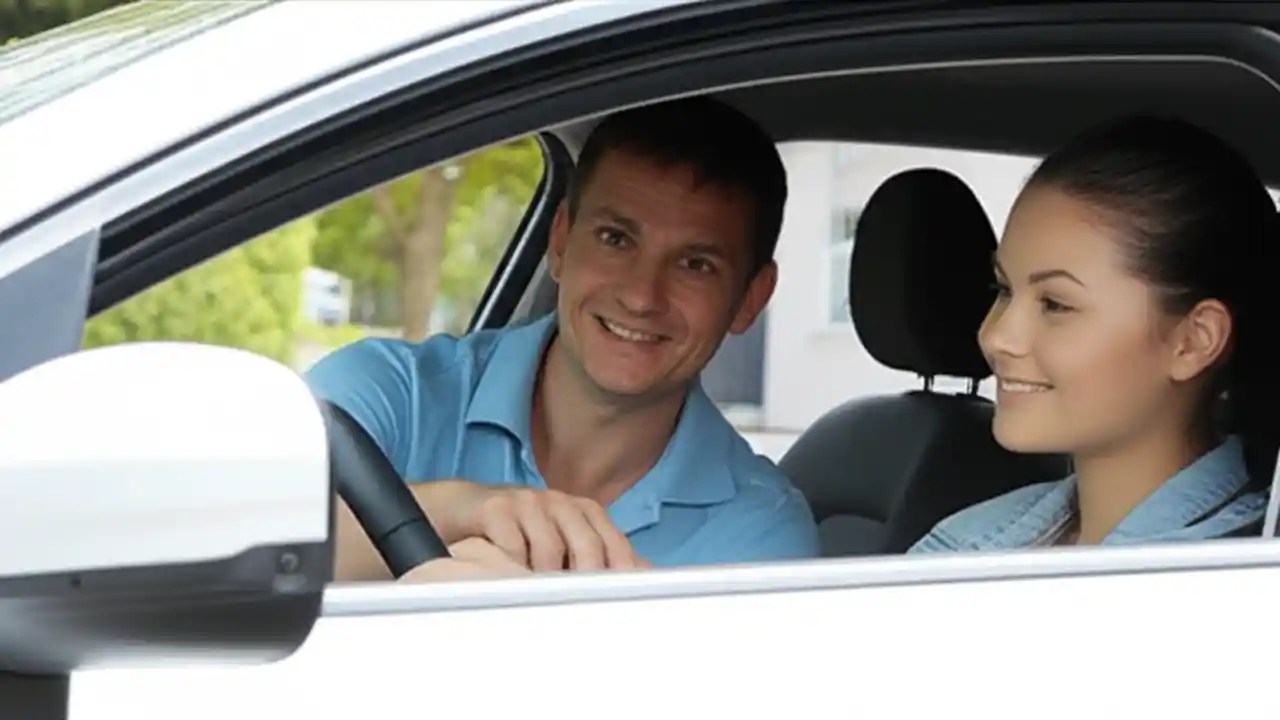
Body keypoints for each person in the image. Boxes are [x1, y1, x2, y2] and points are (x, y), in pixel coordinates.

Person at [307, 96, 820, 582]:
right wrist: (462, 510)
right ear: (559, 242)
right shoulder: (389, 395)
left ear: (751, 298)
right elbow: (238, 538)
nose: (642, 297)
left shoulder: (761, 532)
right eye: (616, 239)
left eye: (695, 265)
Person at [910, 114, 1277, 553]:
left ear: (1193, 341)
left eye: (1056, 305)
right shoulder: (963, 543)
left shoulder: (1238, 585)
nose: (995, 337)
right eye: (1003, 289)